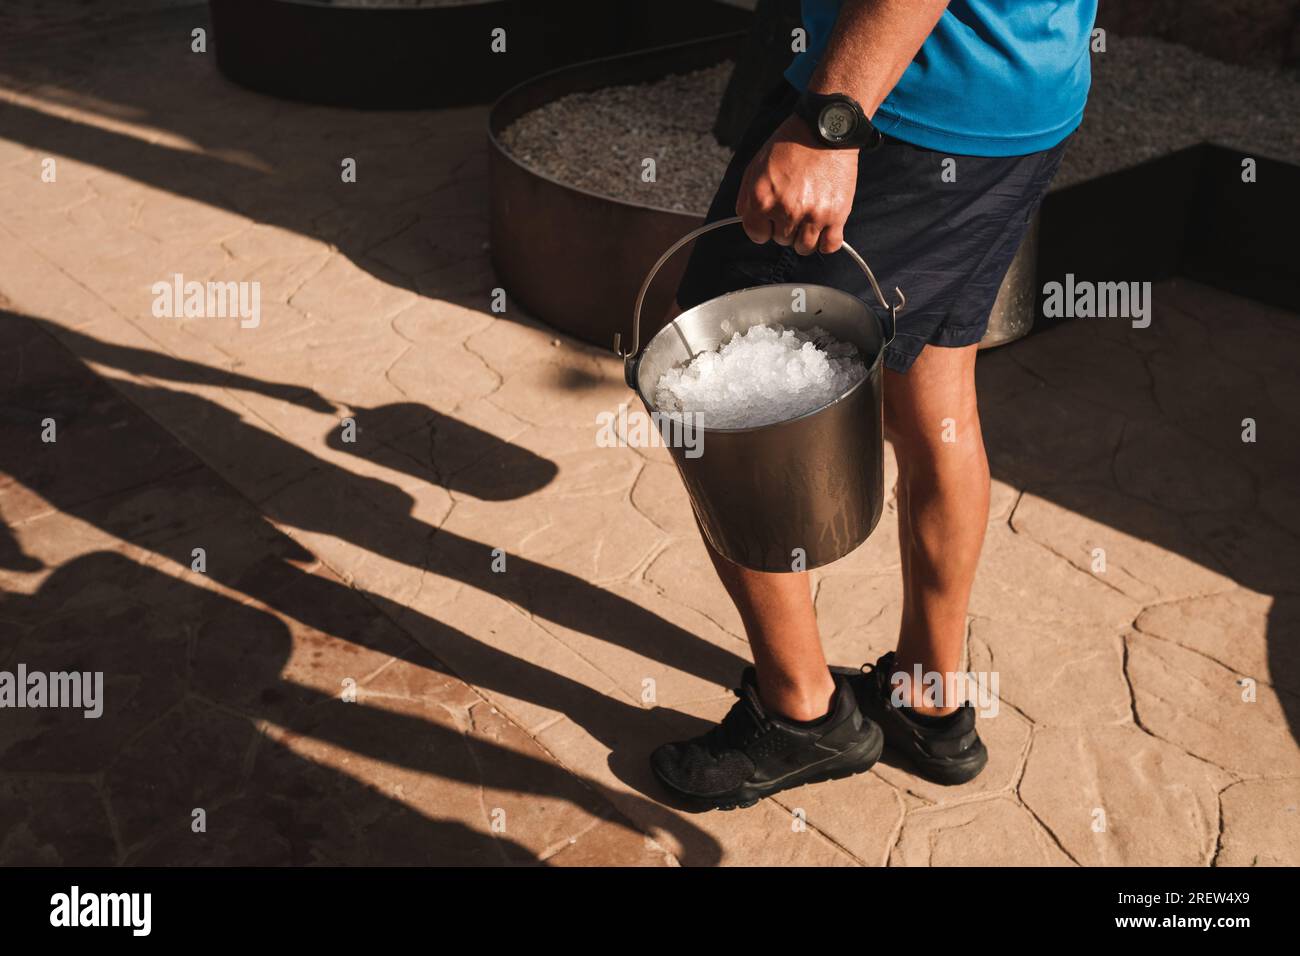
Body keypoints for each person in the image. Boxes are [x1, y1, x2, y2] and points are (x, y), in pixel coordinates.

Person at [650, 0, 1097, 809]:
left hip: (902, 101)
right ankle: (929, 699)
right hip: (1022, 93)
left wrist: (829, 125)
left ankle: (801, 712)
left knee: (709, 391)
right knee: (932, 384)